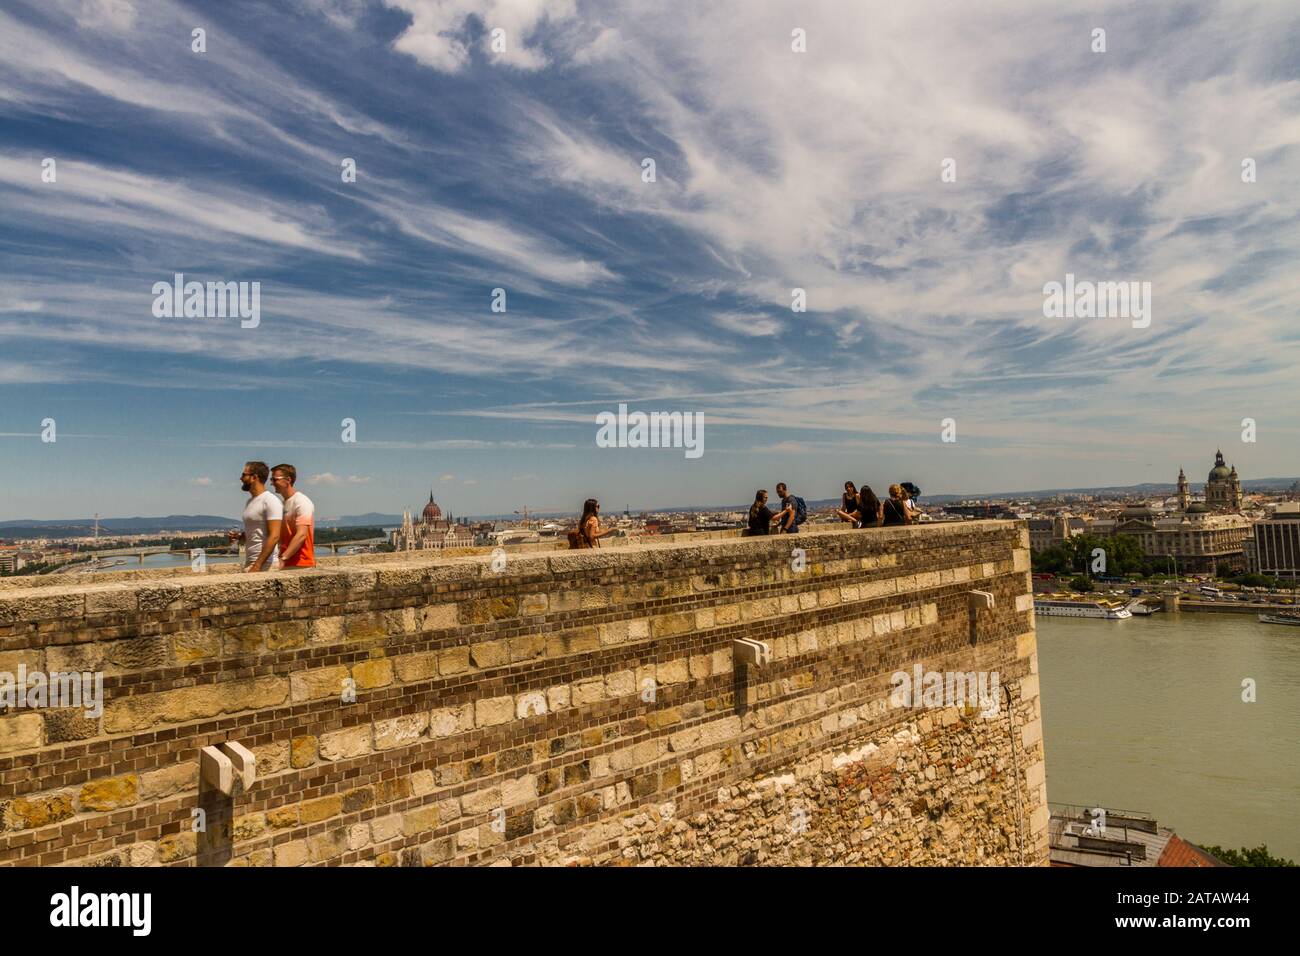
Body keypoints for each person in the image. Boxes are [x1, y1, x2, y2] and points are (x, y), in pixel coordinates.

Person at [228, 461, 282, 572]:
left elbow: (275, 536)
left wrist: (257, 566)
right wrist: (239, 537)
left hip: (266, 565)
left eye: (244, 475)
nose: (240, 478)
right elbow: (255, 534)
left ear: (254, 477)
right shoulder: (250, 501)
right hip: (251, 561)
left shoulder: (270, 500)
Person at [271, 463, 316, 568]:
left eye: (275, 479)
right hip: (287, 563)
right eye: (271, 479)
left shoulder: (301, 501)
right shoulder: (282, 504)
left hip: (301, 564)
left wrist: (283, 559)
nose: (272, 483)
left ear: (288, 480)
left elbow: (301, 535)